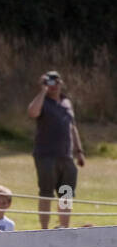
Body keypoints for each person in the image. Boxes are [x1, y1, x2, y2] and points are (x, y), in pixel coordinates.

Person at [28, 70, 85, 229]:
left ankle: (64, 227)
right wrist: (42, 91)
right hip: (46, 157)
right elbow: (32, 112)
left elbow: (72, 128)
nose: (53, 85)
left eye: (56, 82)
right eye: (49, 82)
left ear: (61, 83)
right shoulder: (42, 101)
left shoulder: (67, 102)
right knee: (46, 193)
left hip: (66, 158)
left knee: (66, 193)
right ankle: (44, 230)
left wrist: (79, 152)